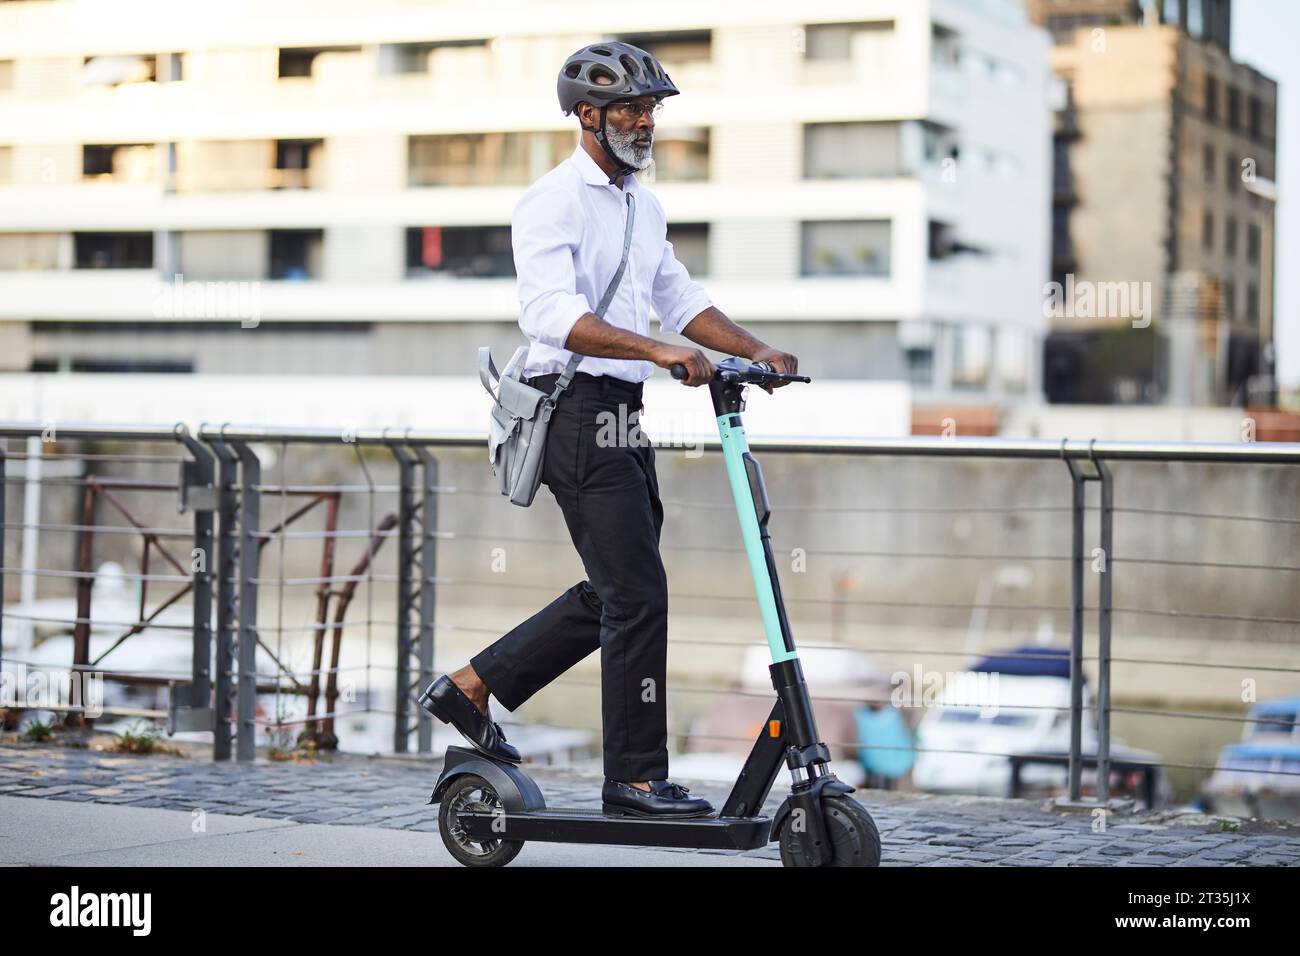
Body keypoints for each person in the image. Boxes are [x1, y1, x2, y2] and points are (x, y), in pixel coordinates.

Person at [419, 41, 799, 817]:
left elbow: (679, 296)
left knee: (620, 589)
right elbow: (550, 314)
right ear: (586, 116)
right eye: (630, 108)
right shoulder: (551, 201)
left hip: (620, 414)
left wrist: (754, 349)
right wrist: (659, 349)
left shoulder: (640, 205)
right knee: (636, 592)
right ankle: (632, 780)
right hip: (569, 408)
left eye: (651, 109)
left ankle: (469, 688)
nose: (645, 122)